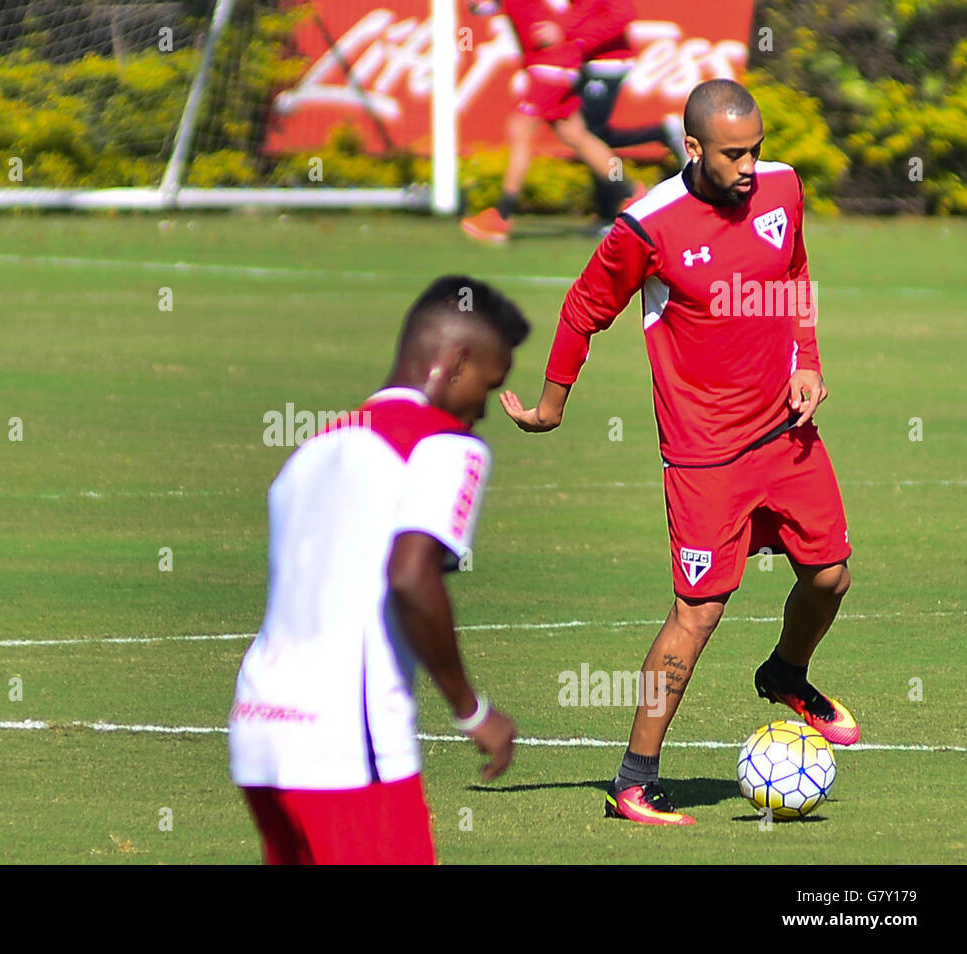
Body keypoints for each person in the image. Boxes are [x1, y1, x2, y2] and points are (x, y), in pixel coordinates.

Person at [500, 79, 859, 826]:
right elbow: (583, 308)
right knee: (698, 614)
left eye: (757, 148)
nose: (751, 165)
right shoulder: (648, 226)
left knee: (829, 577)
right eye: (734, 154)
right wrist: (552, 404)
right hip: (705, 457)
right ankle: (633, 781)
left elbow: (793, 272)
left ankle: (786, 673)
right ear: (692, 148)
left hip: (786, 433)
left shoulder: (783, 190)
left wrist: (808, 359)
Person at [229, 276, 528, 863]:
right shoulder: (441, 445)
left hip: (259, 726)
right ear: (455, 361)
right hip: (345, 737)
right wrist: (472, 709)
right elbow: (409, 575)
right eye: (488, 384)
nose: (485, 408)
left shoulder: (312, 449)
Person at [462, 0, 654, 243]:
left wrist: (565, 30)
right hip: (561, 63)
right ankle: (633, 192)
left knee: (520, 129)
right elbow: (481, 8)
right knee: (576, 135)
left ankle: (501, 215)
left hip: (549, 66)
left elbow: (479, 6)